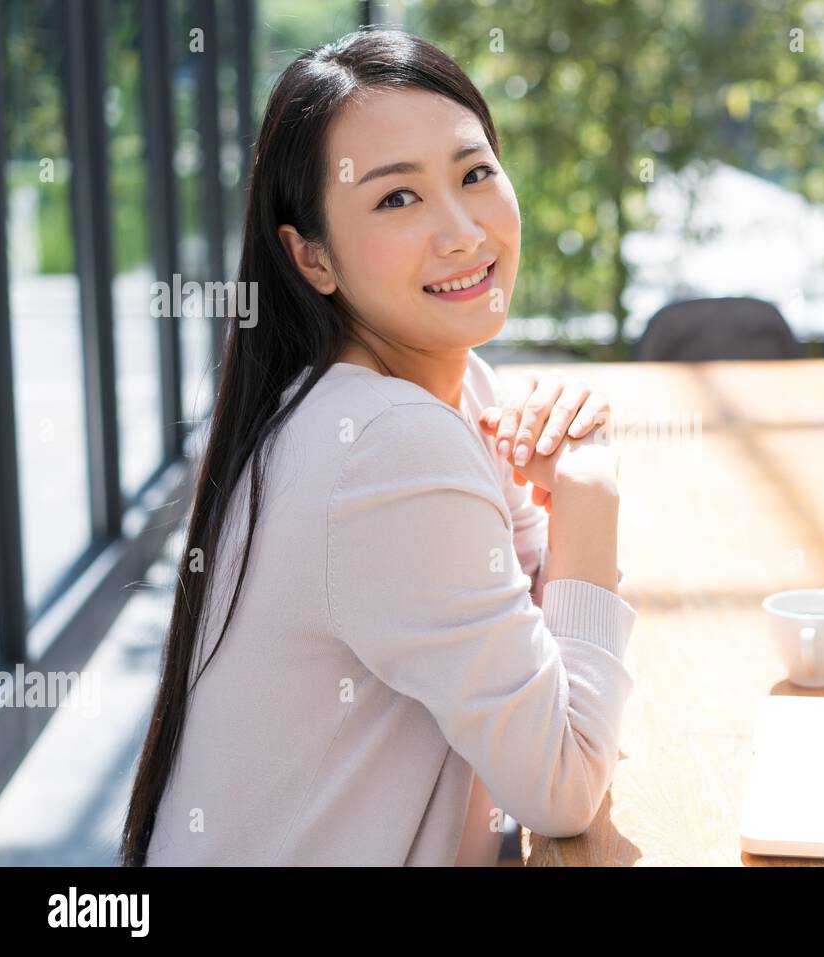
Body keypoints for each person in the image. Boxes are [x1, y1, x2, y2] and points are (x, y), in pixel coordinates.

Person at [119, 29, 635, 866]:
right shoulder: (387, 447)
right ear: (311, 256)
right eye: (397, 199)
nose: (463, 232)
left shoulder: (448, 389)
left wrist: (567, 521)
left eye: (474, 173)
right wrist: (592, 488)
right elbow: (566, 779)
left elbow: (539, 640)